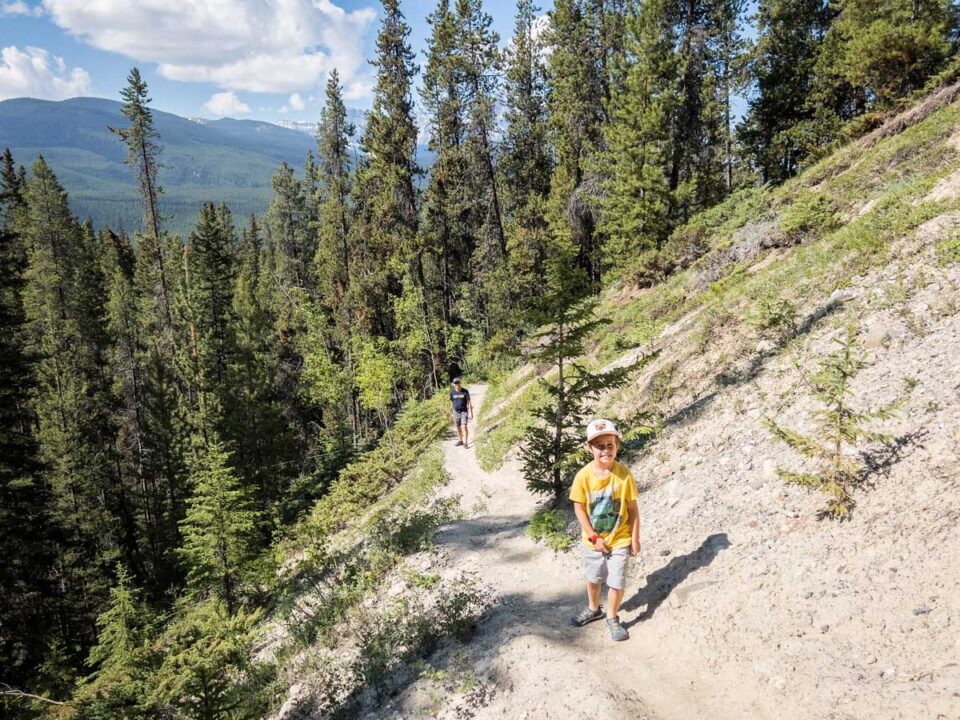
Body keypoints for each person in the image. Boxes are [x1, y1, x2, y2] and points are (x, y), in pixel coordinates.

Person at [569, 418, 640, 641]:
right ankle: (593, 608)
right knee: (593, 578)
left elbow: (633, 509)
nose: (605, 450)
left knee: (617, 581)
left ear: (617, 446)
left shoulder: (625, 475)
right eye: (599, 446)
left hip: (619, 538)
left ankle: (612, 616)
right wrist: (593, 536)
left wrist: (635, 538)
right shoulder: (583, 477)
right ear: (590, 448)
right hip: (593, 540)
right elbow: (579, 508)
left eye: (610, 445)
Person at [449, 377, 474, 448]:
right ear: (453, 384)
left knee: (464, 427)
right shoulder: (452, 392)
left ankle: (465, 443)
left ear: (460, 383)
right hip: (455, 412)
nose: (457, 384)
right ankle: (460, 440)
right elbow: (451, 402)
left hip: (464, 412)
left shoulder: (465, 391)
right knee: (458, 427)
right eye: (456, 383)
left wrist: (471, 412)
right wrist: (450, 411)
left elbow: (469, 402)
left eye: (458, 383)